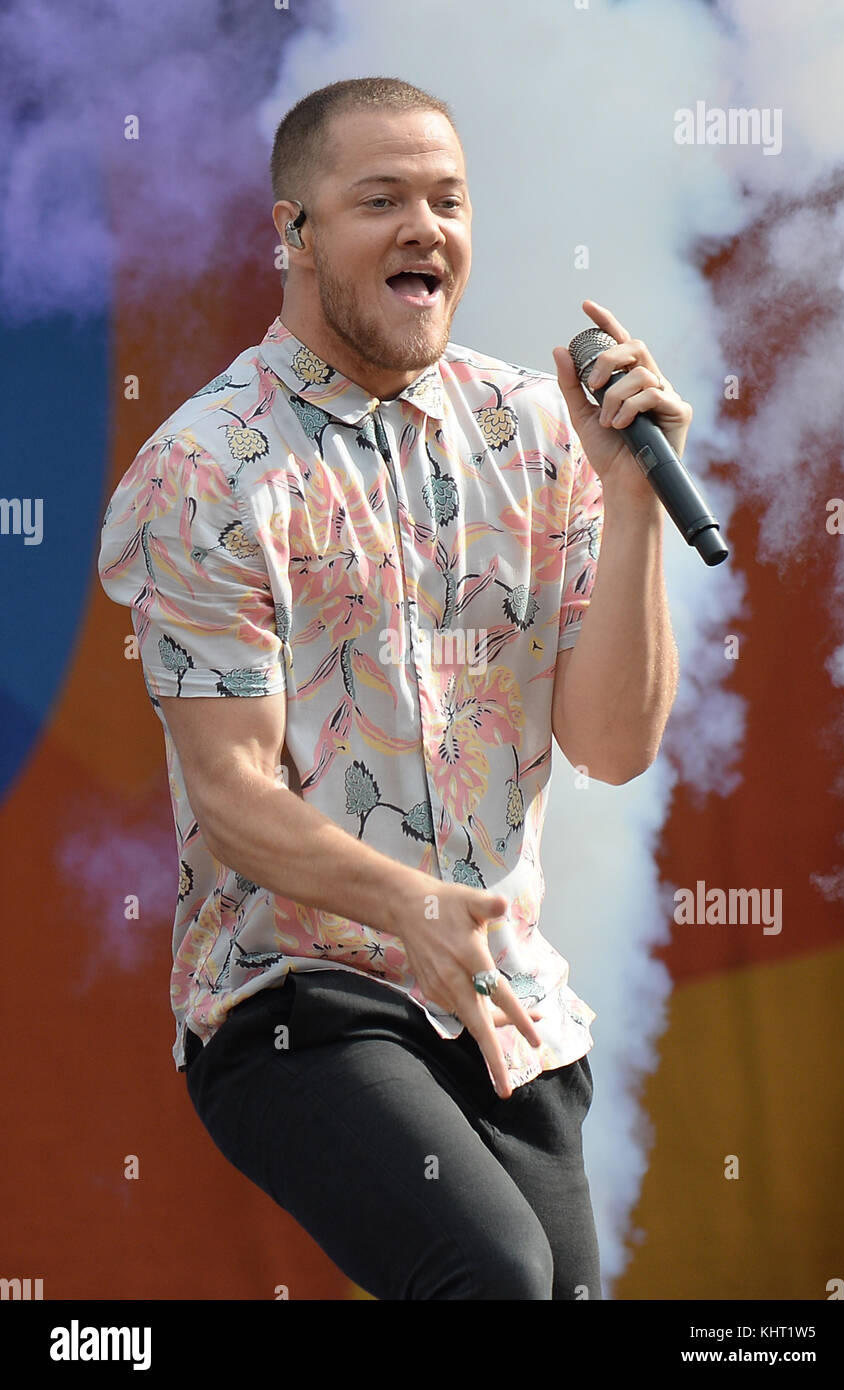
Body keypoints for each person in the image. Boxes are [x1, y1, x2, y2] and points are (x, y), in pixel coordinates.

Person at [97, 75, 685, 1301]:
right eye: (381, 200)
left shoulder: (535, 433)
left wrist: (631, 507)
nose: (425, 226)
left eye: (447, 200)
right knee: (492, 1273)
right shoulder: (207, 467)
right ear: (293, 234)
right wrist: (407, 903)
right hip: (297, 1000)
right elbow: (231, 793)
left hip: (500, 1002)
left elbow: (613, 745)